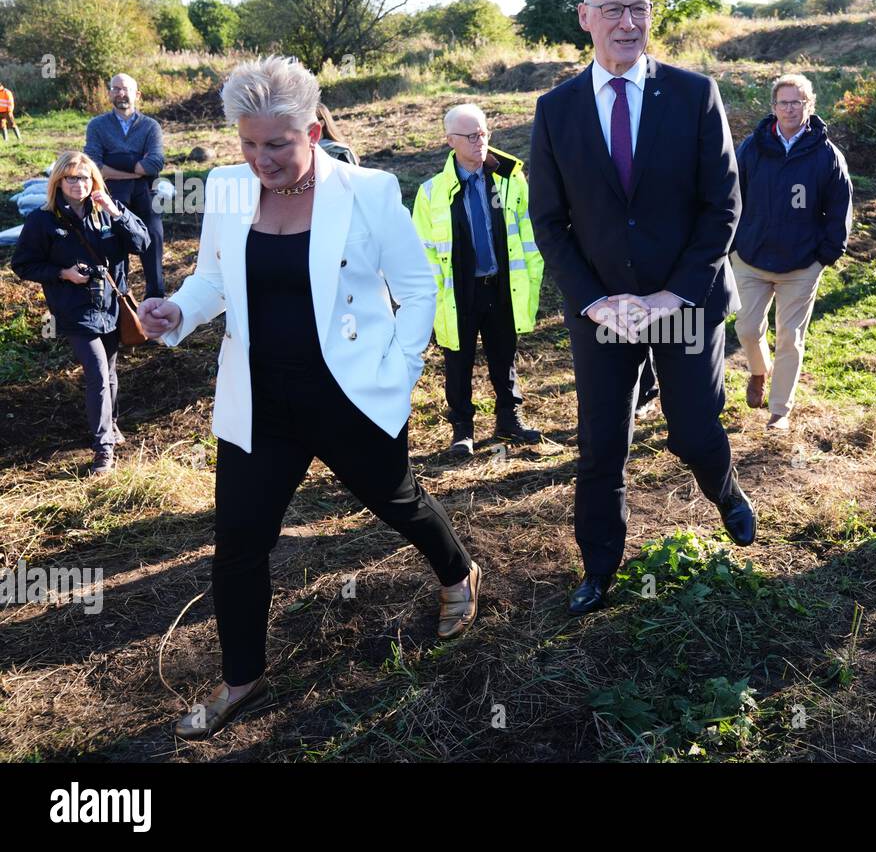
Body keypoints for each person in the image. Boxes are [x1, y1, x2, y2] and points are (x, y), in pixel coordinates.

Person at [138, 56, 481, 739]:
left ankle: (459, 573)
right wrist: (177, 311)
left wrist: (399, 372)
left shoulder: (369, 191)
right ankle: (243, 677)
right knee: (237, 542)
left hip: (349, 393)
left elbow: (418, 288)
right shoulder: (230, 189)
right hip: (260, 398)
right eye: (247, 142)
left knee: (397, 499)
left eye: (277, 144)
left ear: (314, 131)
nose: (260, 159)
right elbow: (213, 281)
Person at [529, 0, 756, 616]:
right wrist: (594, 299)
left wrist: (674, 295)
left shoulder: (693, 95)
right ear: (585, 16)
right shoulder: (555, 111)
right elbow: (548, 220)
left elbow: (723, 205)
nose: (628, 23)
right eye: (613, 10)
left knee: (692, 429)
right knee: (602, 443)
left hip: (681, 305)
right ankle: (599, 567)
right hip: (602, 310)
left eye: (640, 9)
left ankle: (726, 493)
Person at [412, 103, 545, 457]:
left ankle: (509, 419)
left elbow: (529, 234)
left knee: (505, 354)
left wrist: (531, 280)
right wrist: (432, 299)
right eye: (470, 136)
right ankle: (462, 430)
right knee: (458, 360)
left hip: (500, 285)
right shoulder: (430, 193)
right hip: (459, 292)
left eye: (483, 133)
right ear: (450, 141)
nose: (479, 141)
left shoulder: (509, 181)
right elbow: (422, 254)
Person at [11, 151, 150, 475]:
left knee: (111, 372)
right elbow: (23, 264)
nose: (78, 184)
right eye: (71, 178)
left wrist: (117, 212)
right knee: (98, 373)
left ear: (94, 181)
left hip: (111, 307)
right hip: (74, 310)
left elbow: (142, 243)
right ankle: (103, 450)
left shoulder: (106, 213)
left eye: (84, 177)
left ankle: (112, 425)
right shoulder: (43, 220)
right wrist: (63, 273)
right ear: (59, 181)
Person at [732, 73, 852, 430]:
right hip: (751, 258)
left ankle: (780, 410)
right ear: (773, 107)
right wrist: (732, 243)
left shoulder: (827, 155)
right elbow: (731, 194)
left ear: (809, 106)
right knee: (747, 328)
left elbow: (840, 206)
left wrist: (825, 255)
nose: (789, 108)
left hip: (801, 264)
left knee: (790, 337)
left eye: (796, 102)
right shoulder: (752, 147)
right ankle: (758, 371)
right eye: (783, 102)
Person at [84, 74, 166, 300]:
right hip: (111, 193)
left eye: (126, 88)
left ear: (137, 94)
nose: (121, 93)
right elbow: (93, 164)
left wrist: (115, 160)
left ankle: (156, 300)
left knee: (154, 236)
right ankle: (121, 304)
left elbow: (155, 163)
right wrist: (136, 163)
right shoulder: (97, 126)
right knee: (115, 245)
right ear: (110, 93)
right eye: (115, 88)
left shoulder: (150, 126)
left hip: (144, 190)